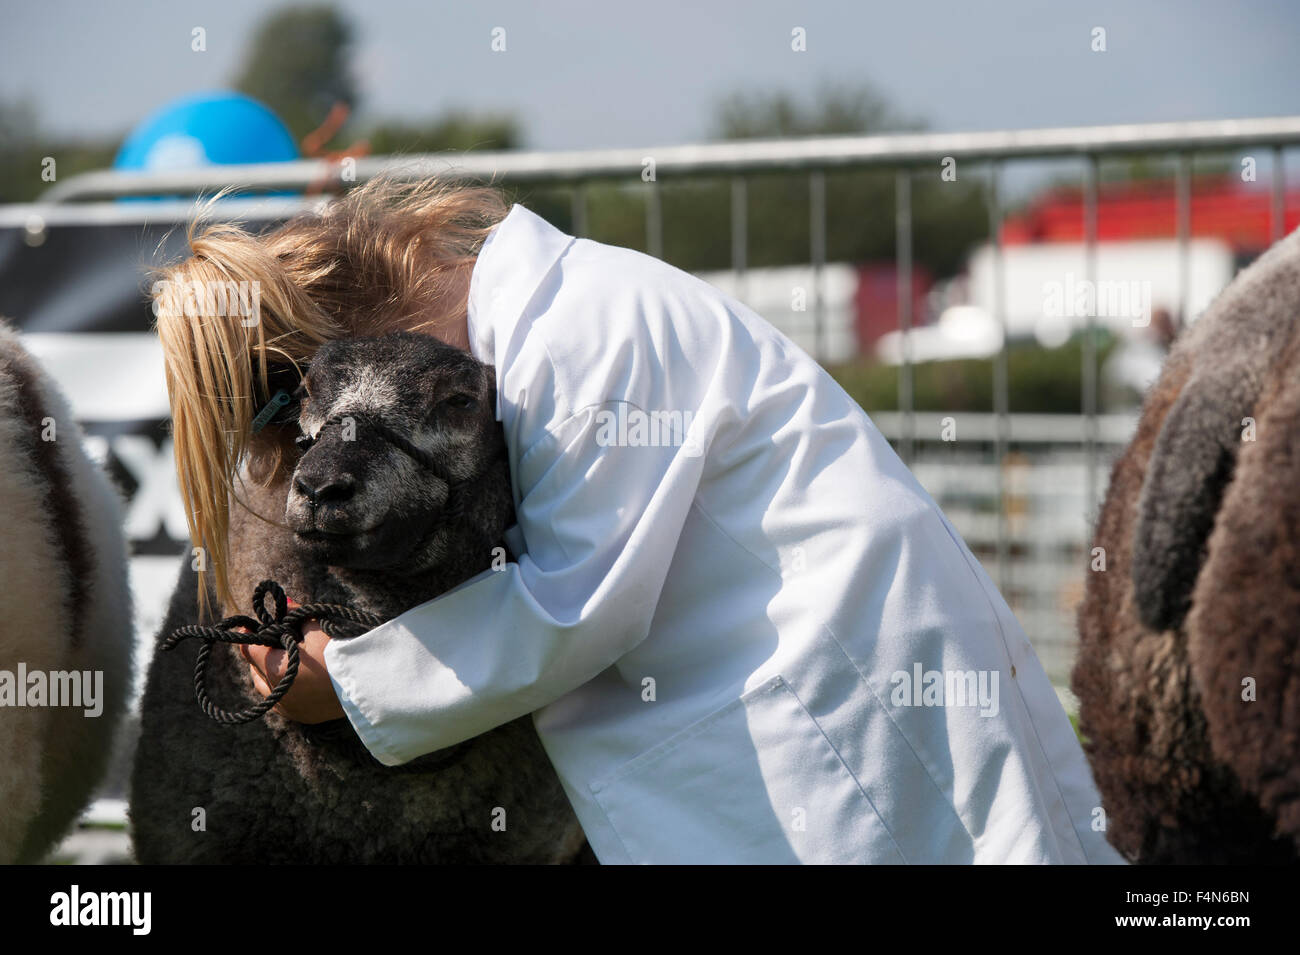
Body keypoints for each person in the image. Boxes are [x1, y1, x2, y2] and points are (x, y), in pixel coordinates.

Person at [153, 177, 1122, 864]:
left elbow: (576, 608)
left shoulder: (579, 334)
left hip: (840, 684)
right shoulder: (550, 326)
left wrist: (346, 683)